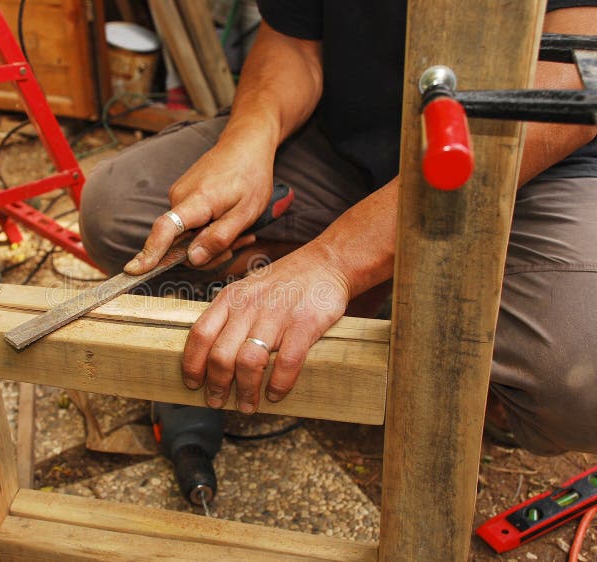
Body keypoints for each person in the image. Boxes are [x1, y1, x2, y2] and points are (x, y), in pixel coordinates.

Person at [80, 1, 597, 455]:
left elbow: (578, 68)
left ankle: (479, 377)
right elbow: (292, 40)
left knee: (577, 383)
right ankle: (371, 280)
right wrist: (248, 139)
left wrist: (336, 260)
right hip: (353, 143)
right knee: (119, 213)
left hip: (530, 168)